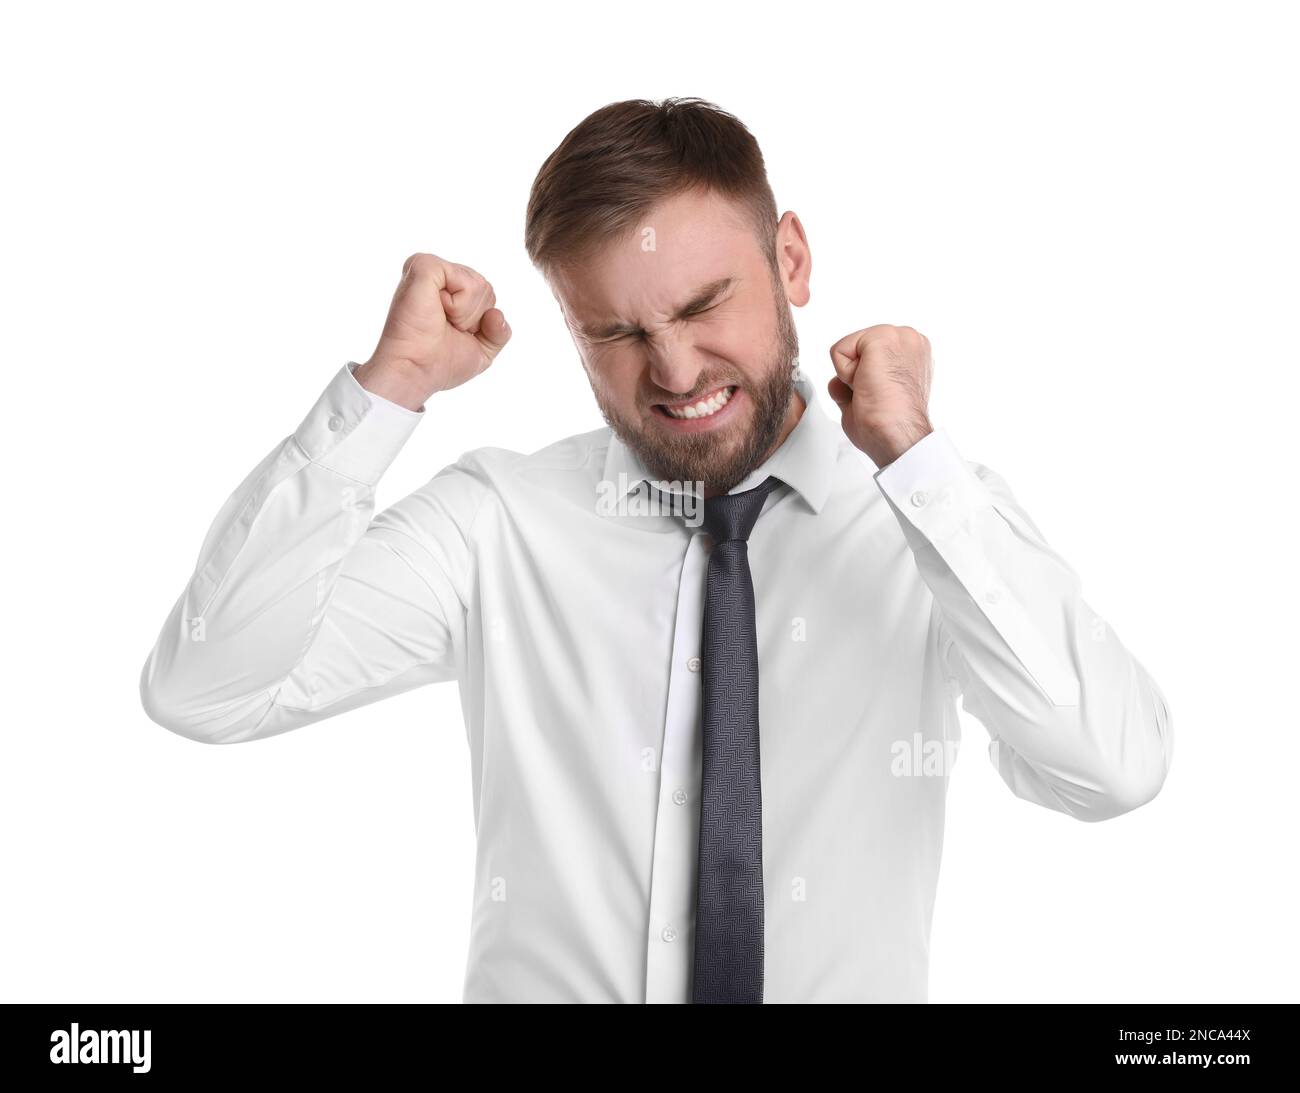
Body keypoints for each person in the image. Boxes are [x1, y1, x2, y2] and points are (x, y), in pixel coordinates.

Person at [139, 96, 1173, 1004]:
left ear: (792, 261)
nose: (675, 370)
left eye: (702, 304)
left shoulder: (929, 523)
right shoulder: (502, 520)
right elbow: (205, 688)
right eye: (616, 333)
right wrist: (386, 389)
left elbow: (1108, 770)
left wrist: (915, 461)